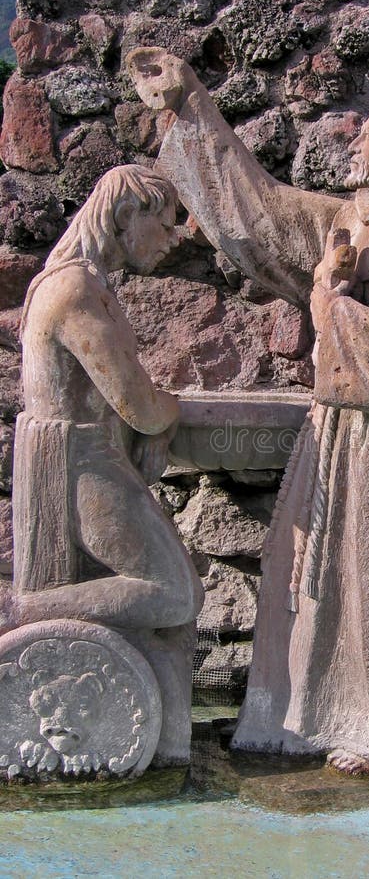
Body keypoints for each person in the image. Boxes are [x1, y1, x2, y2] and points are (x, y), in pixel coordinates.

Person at [128, 48, 369, 772]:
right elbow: (265, 212)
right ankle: (310, 718)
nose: (357, 143)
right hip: (338, 426)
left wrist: (332, 303)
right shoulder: (351, 220)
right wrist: (190, 104)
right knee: (314, 575)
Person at [1, 164, 204, 765]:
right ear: (124, 216)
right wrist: (166, 416)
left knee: (172, 600)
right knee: (173, 593)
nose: (170, 239)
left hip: (88, 448)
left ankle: (167, 743)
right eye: (163, 224)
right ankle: (21, 609)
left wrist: (149, 423)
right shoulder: (74, 292)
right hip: (78, 460)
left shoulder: (82, 283)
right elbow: (139, 403)